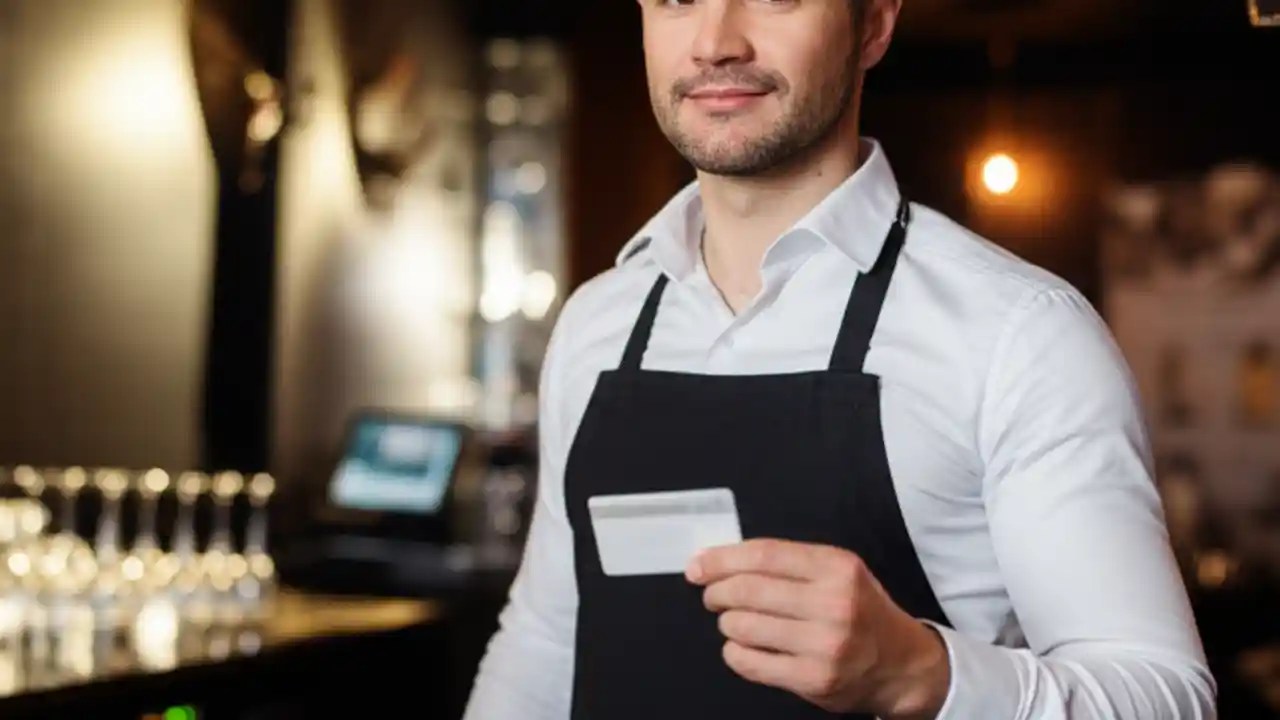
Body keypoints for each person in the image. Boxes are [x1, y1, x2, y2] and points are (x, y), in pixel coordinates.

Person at [463, 0, 1215, 717]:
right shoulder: (598, 321)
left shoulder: (1019, 333)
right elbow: (545, 643)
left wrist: (925, 674)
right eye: (676, 0)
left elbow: (1165, 696)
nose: (715, 41)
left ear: (874, 25)